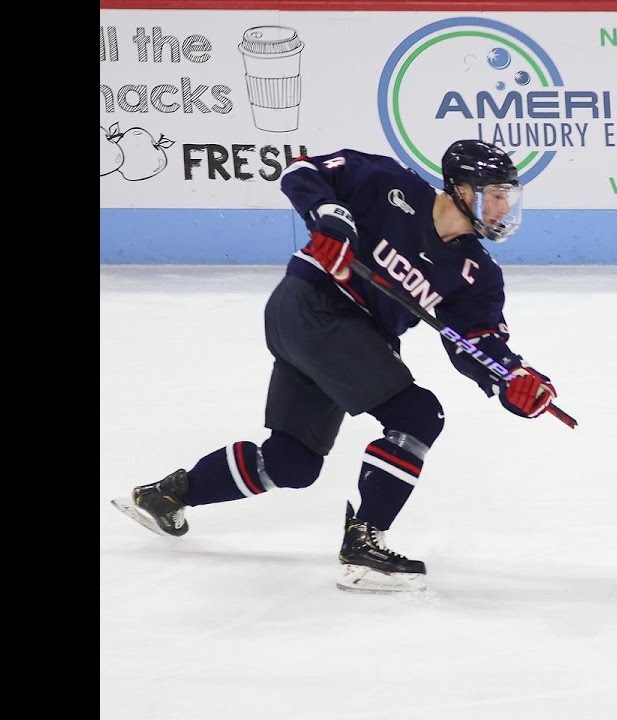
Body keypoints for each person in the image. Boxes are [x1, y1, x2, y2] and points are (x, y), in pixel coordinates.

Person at [110, 141, 560, 593]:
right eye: (495, 194)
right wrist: (331, 216)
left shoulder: (476, 272)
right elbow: (300, 171)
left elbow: (475, 342)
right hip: (311, 304)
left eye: (508, 196)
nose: (504, 208)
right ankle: (364, 544)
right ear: (459, 189)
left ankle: (167, 495)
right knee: (418, 415)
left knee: (292, 463)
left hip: (338, 335)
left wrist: (512, 379)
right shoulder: (389, 183)